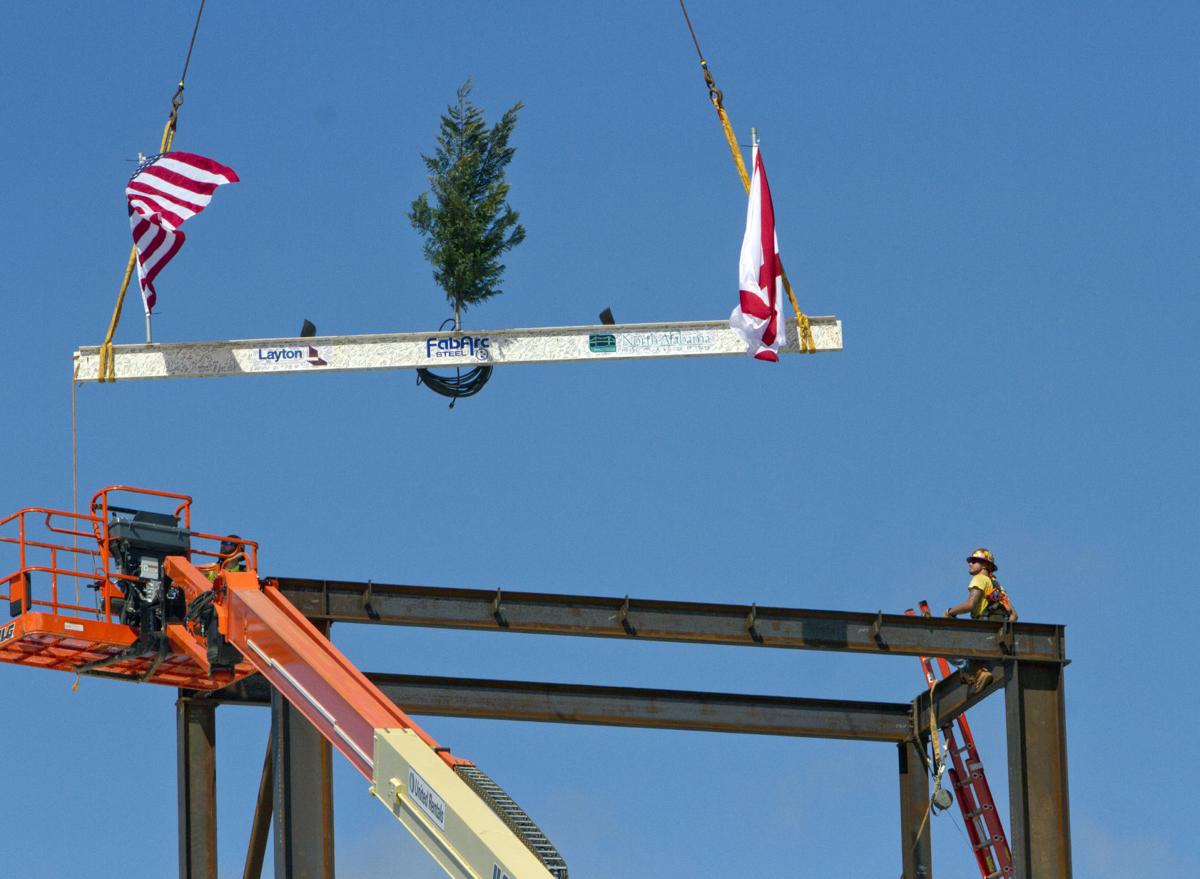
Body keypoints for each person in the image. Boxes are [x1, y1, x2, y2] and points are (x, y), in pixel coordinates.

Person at [943, 548, 1017, 691]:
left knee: (943, 644)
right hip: (997, 637)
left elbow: (970, 605)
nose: (970, 564)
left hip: (982, 632)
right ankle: (979, 669)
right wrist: (1003, 633)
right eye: (970, 561)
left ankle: (978, 672)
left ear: (984, 565)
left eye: (974, 561)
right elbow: (1014, 615)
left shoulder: (979, 579)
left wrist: (949, 612)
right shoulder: (998, 587)